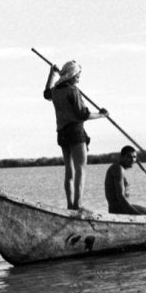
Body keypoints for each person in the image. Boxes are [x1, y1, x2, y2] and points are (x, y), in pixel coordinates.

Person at [43, 60, 107, 212]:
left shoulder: (56, 91)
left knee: (69, 170)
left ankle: (70, 205)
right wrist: (101, 115)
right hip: (75, 132)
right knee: (80, 169)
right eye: (78, 75)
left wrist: (51, 74)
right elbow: (82, 114)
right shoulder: (73, 91)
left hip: (62, 133)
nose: (79, 78)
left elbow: (46, 94)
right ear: (71, 75)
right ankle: (77, 205)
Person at [104, 146, 146, 215]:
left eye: (134, 157)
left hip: (121, 208)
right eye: (129, 157)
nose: (132, 160)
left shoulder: (119, 168)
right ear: (121, 157)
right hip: (118, 210)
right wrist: (137, 214)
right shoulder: (118, 168)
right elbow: (120, 196)